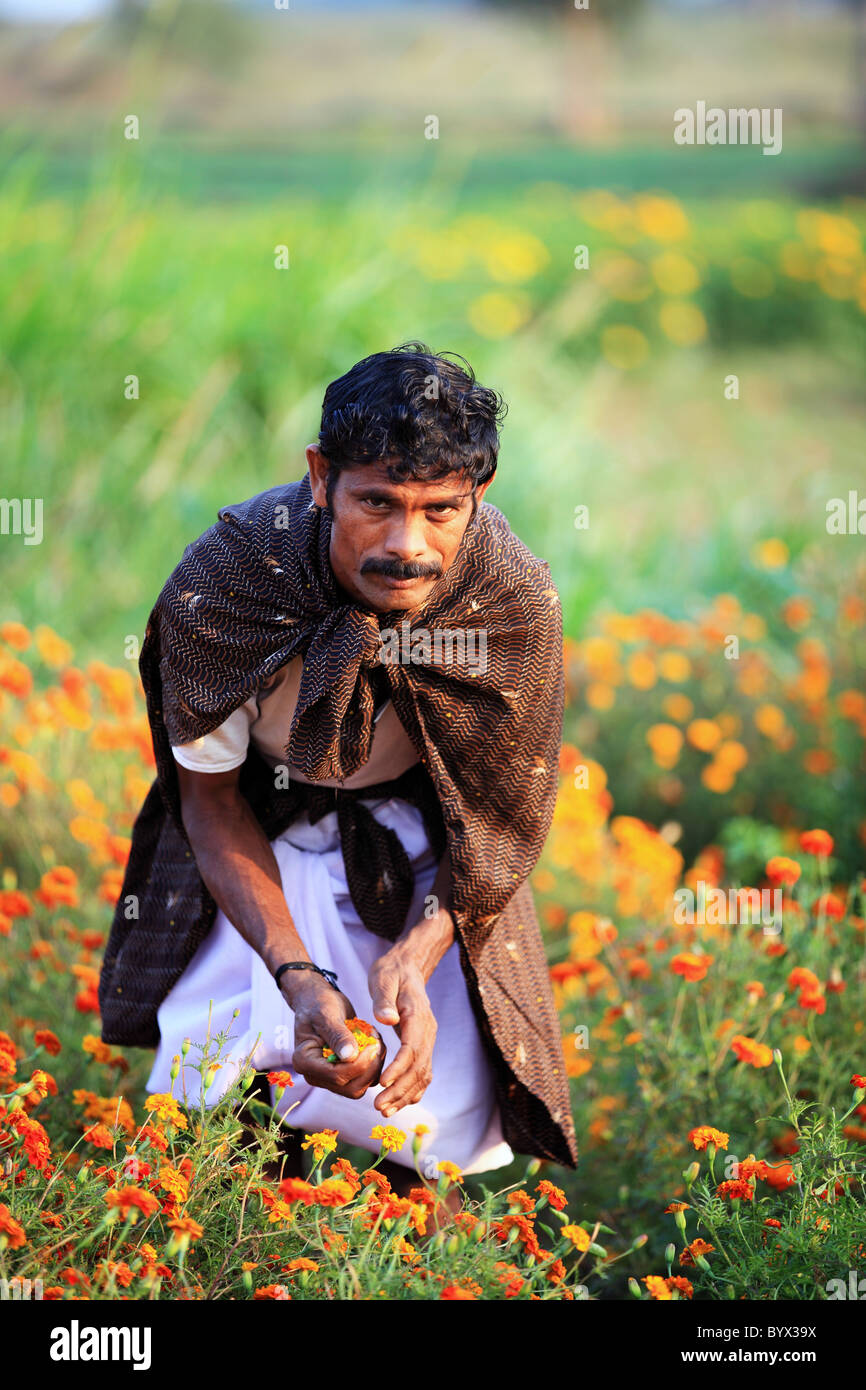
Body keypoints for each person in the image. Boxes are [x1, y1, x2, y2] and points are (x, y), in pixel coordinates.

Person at [99, 341, 579, 1202]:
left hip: (430, 851)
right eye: (377, 503)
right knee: (225, 1093)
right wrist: (296, 974)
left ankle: (397, 1263)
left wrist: (421, 955)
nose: (408, 544)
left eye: (441, 510)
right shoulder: (232, 581)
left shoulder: (508, 604)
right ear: (320, 477)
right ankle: (248, 1245)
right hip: (258, 832)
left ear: (480, 496)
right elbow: (207, 802)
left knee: (427, 1127)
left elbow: (504, 823)